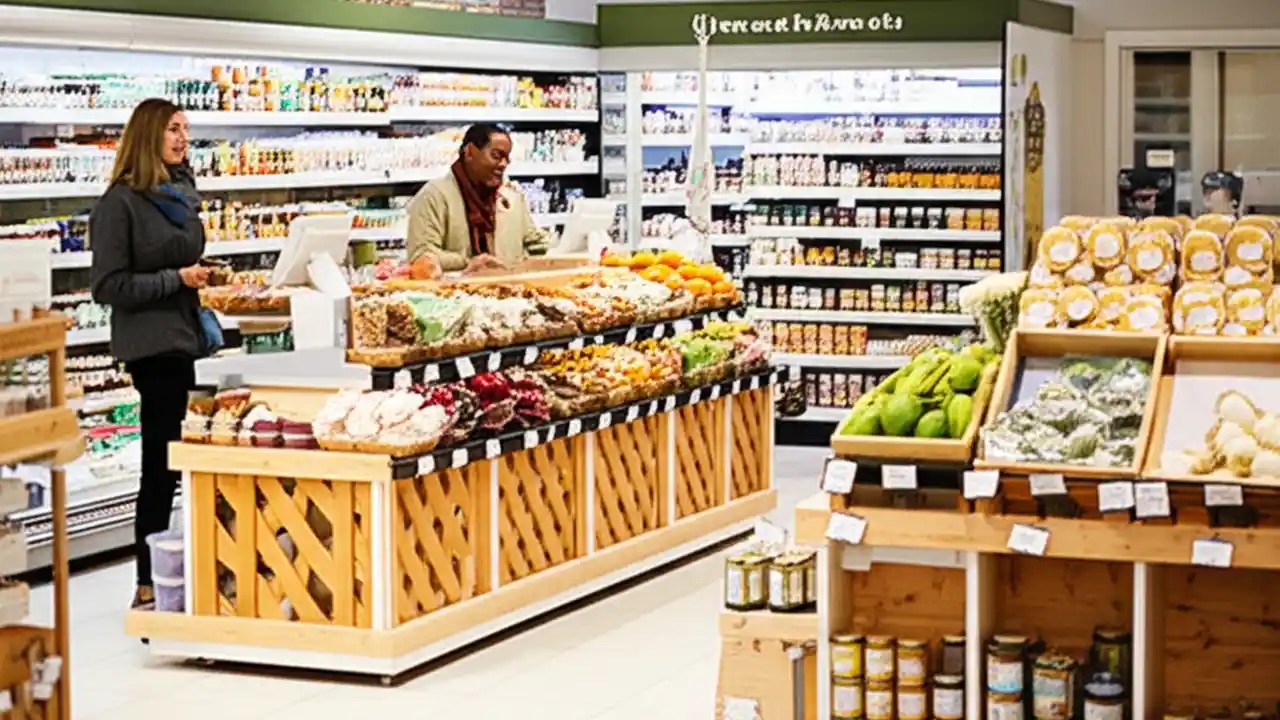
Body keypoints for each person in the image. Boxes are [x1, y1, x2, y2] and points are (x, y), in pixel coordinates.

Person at [90, 98, 210, 609]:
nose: (182, 139)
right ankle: (148, 580)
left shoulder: (181, 194)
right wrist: (176, 279)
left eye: (185, 128)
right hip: (152, 347)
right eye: (172, 129)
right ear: (147, 136)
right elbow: (108, 285)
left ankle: (190, 567)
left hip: (186, 338)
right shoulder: (120, 204)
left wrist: (199, 276)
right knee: (160, 464)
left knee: (186, 459)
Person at [406, 123, 549, 273]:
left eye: (507, 158)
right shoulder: (435, 196)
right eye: (496, 156)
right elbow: (421, 256)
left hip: (509, 286)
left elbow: (533, 242)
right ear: (470, 152)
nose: (503, 164)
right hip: (455, 287)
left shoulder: (511, 197)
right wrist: (467, 263)